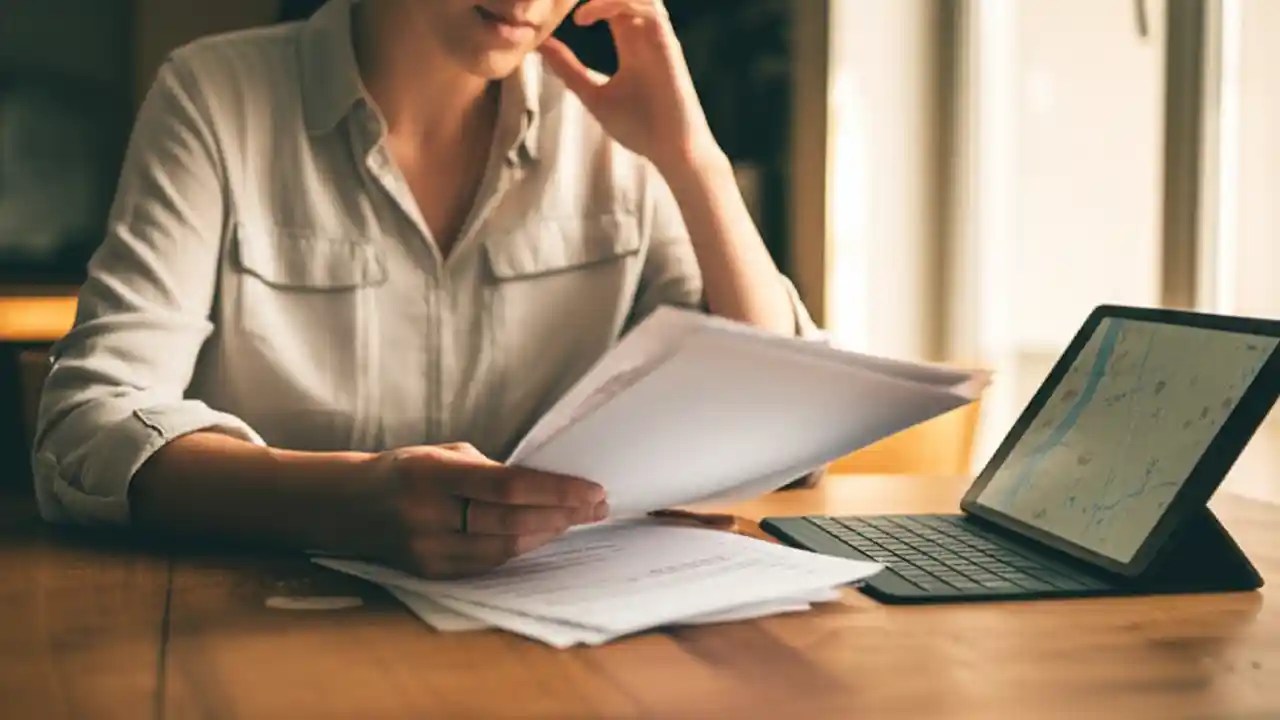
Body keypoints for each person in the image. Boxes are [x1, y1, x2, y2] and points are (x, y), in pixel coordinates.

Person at [33, 0, 817, 577]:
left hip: (563, 643)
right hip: (262, 624)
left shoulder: (612, 130)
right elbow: (83, 431)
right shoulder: (214, 96)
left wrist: (693, 159)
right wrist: (346, 501)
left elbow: (777, 427)